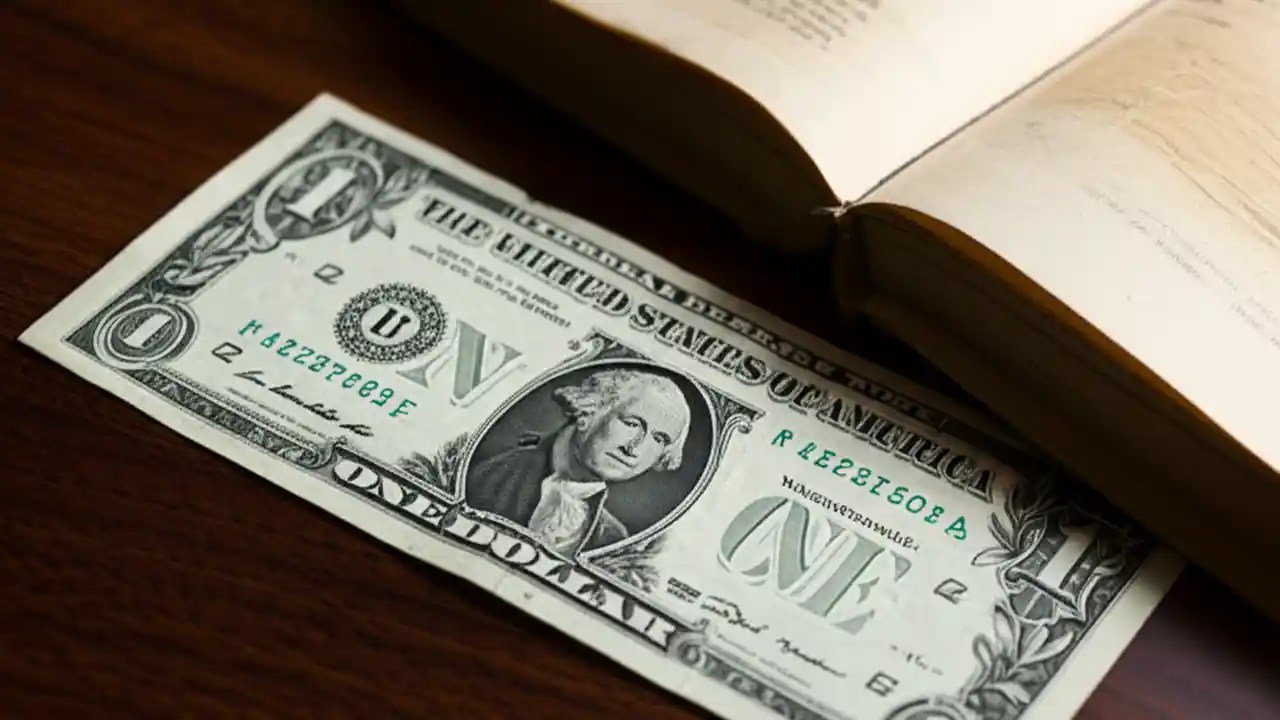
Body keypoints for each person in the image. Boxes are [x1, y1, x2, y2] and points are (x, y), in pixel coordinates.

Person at [467, 368, 692, 555]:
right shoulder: (488, 472)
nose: (634, 448)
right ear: (589, 412)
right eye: (632, 423)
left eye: (659, 438)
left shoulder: (613, 538)